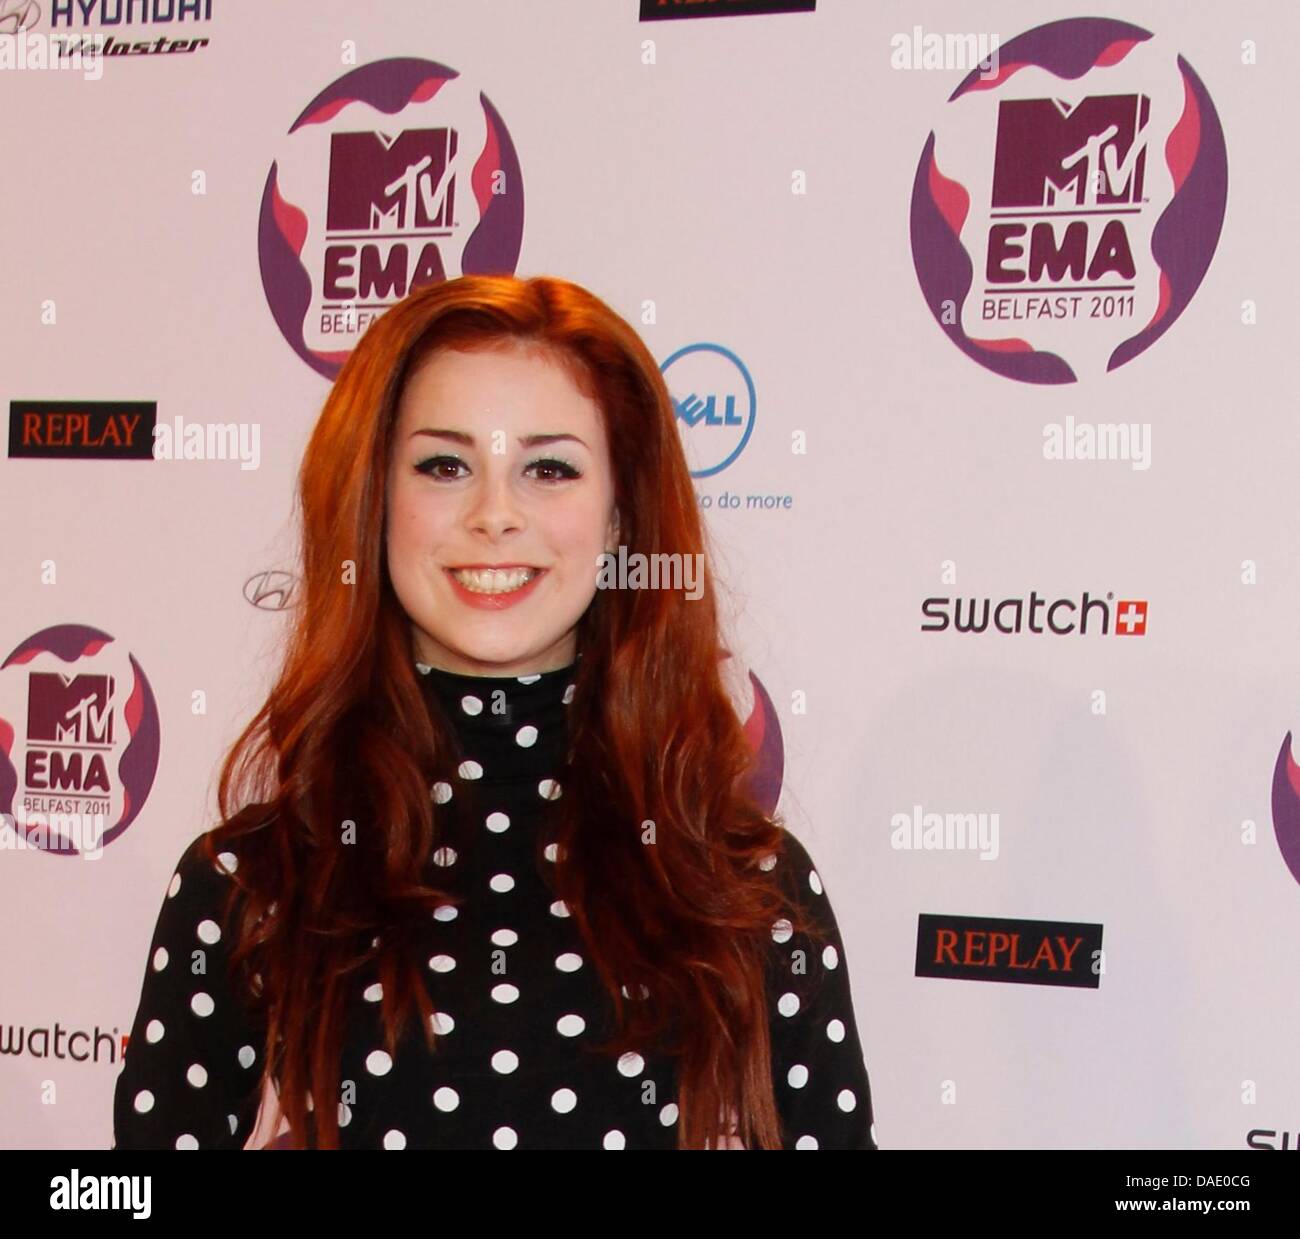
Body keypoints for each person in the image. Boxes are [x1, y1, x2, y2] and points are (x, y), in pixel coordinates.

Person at [111, 274, 878, 1150]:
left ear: (621, 515)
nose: (495, 515)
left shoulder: (745, 891)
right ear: (375, 502)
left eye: (549, 468)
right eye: (446, 465)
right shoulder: (252, 888)